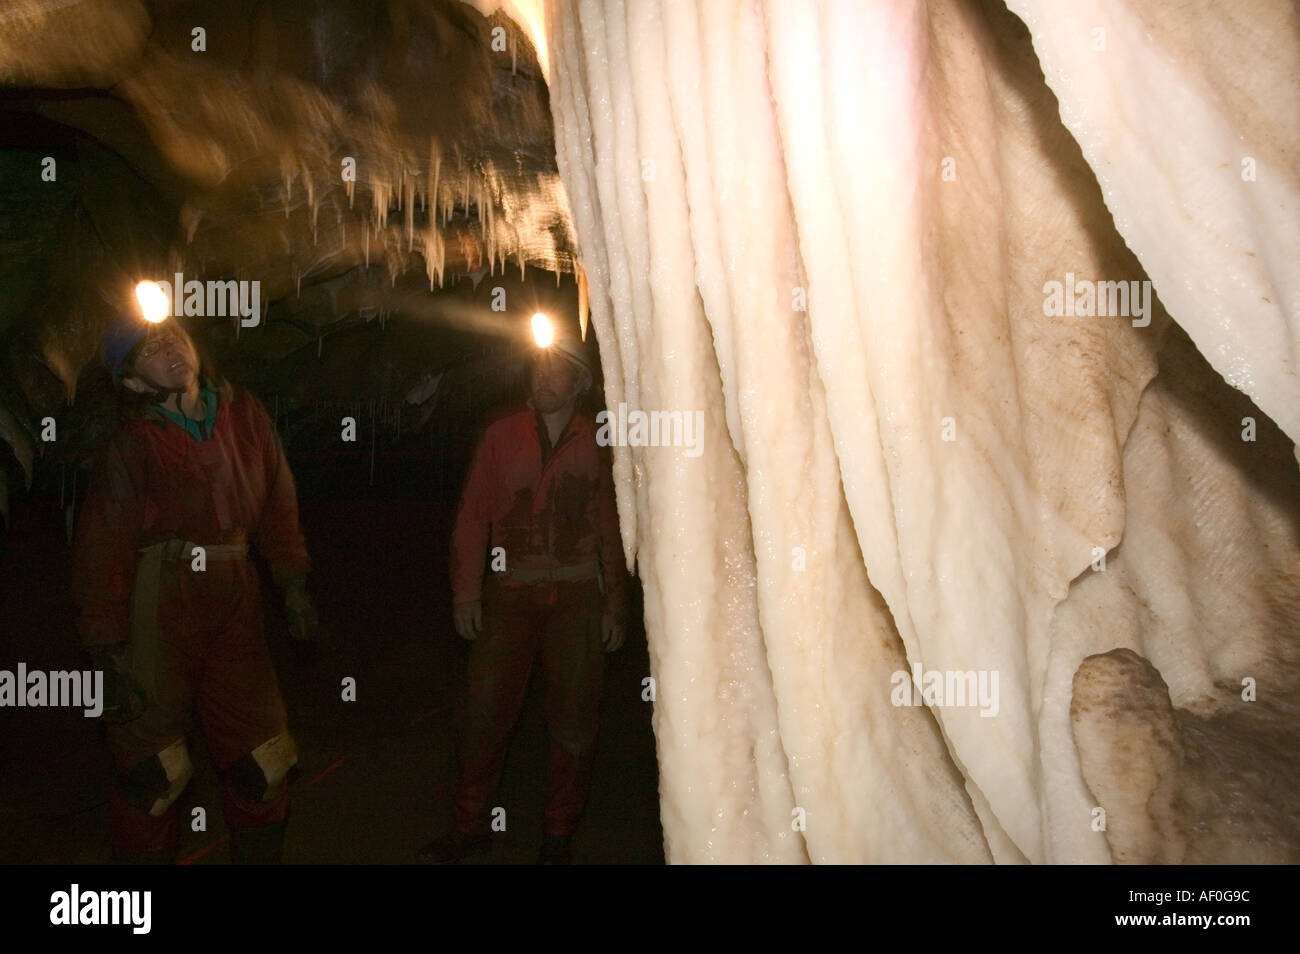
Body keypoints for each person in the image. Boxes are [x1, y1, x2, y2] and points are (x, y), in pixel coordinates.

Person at [72, 309, 318, 864]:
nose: (168, 347)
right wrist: (107, 652)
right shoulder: (130, 447)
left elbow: (279, 499)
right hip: (157, 601)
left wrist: (293, 581)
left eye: (172, 335)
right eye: (149, 348)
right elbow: (102, 547)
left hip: (234, 590)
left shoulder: (244, 415)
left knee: (266, 759)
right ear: (131, 380)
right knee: (156, 774)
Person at [421, 327, 627, 865]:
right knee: (484, 712)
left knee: (574, 721)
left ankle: (557, 837)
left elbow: (610, 523)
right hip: (510, 592)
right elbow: (472, 516)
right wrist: (465, 594)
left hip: (579, 592)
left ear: (579, 383)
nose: (543, 376)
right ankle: (471, 826)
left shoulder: (597, 440)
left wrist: (614, 604)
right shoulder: (501, 435)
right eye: (539, 367)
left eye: (557, 368)